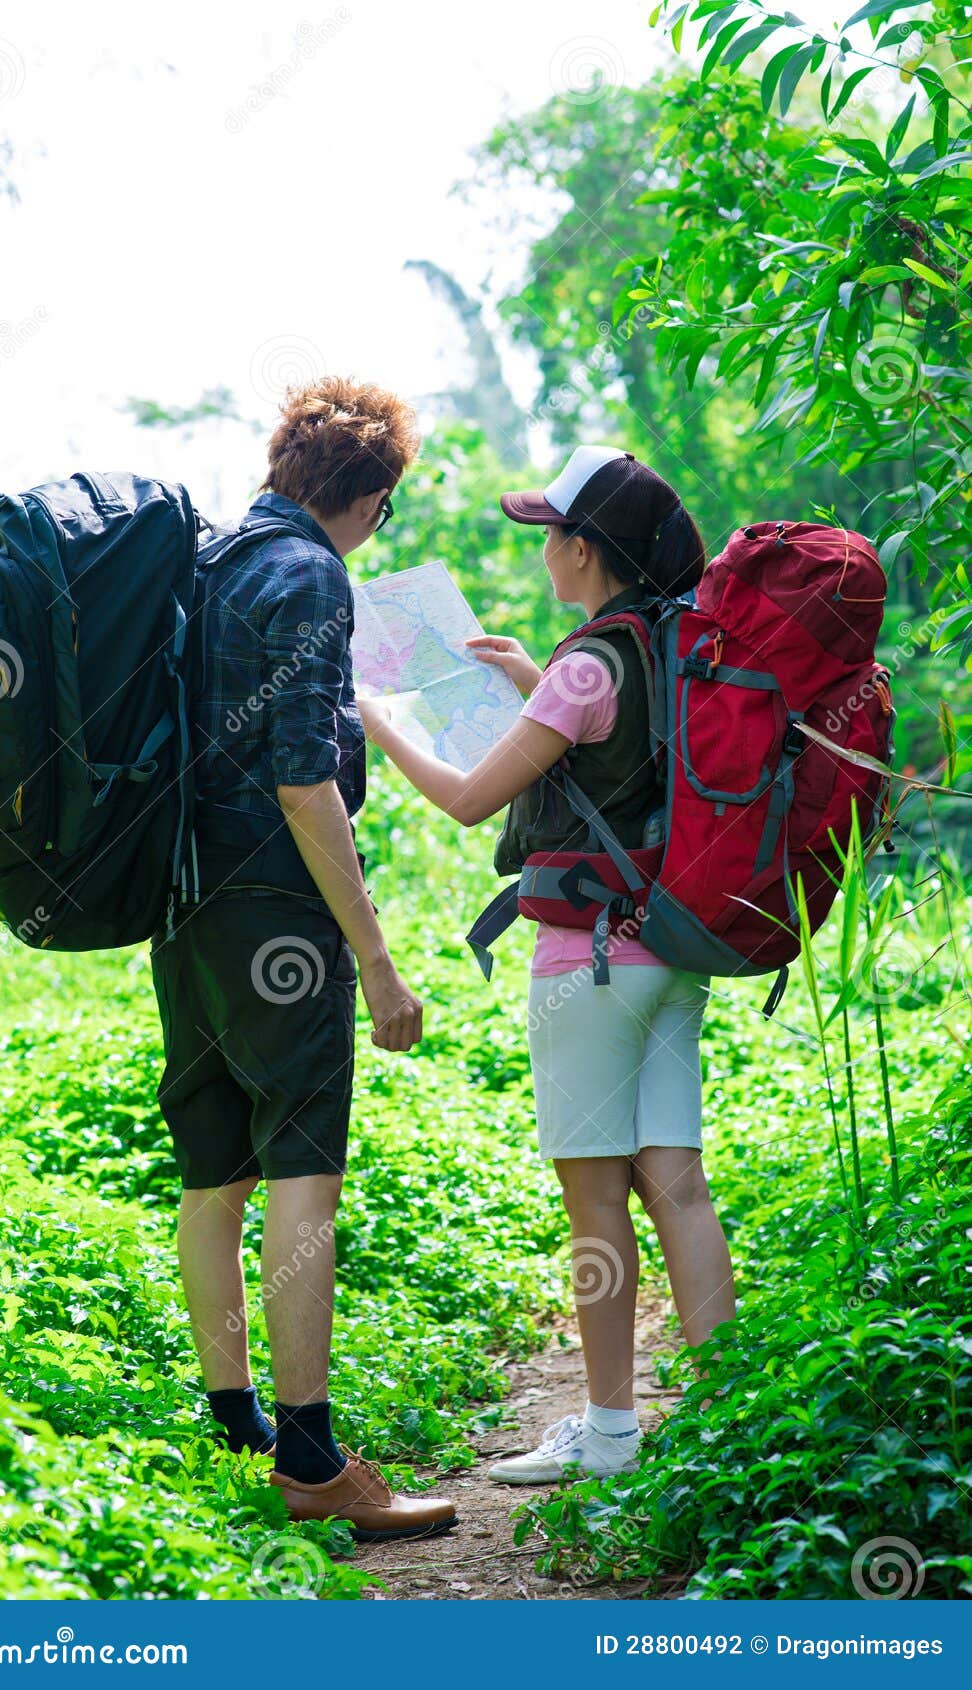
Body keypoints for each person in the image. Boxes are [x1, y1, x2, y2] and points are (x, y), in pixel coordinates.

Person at [357, 445, 736, 1486]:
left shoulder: (583, 664)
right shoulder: (664, 642)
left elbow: (471, 799)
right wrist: (533, 681)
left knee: (595, 1207)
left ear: (583, 548)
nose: (543, 551)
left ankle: (611, 1434)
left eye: (549, 534)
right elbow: (622, 756)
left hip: (586, 966)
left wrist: (381, 723)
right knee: (678, 1186)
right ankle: (731, 1420)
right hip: (668, 949)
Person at [149, 376, 456, 1541]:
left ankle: (235, 1426)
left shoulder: (212, 559)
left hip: (183, 911)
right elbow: (299, 779)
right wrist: (375, 958)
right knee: (302, 1171)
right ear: (371, 498)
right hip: (279, 916)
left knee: (214, 1167)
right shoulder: (313, 575)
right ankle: (314, 1454)